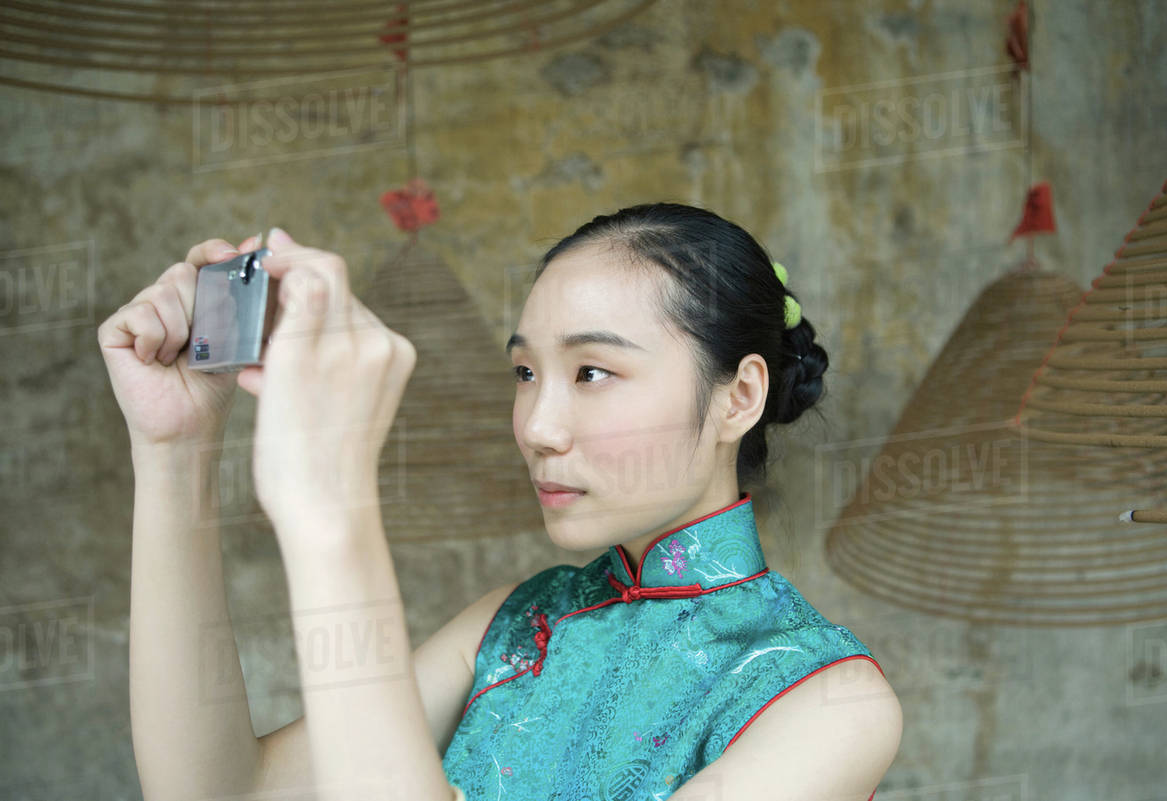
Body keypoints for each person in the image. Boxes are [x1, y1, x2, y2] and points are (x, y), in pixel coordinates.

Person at [98, 203, 901, 801]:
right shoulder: (516, 625)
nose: (538, 427)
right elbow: (220, 792)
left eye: (592, 371)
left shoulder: (828, 701)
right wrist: (173, 452)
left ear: (740, 395)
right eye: (525, 373)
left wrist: (331, 511)